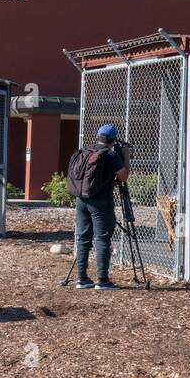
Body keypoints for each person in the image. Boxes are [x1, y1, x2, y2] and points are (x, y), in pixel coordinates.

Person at [74, 124, 130, 291]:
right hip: (100, 201)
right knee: (102, 238)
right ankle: (102, 280)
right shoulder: (111, 155)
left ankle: (82, 279)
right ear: (113, 140)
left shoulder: (87, 151)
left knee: (83, 237)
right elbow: (124, 176)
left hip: (81, 199)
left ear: (98, 137)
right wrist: (126, 156)